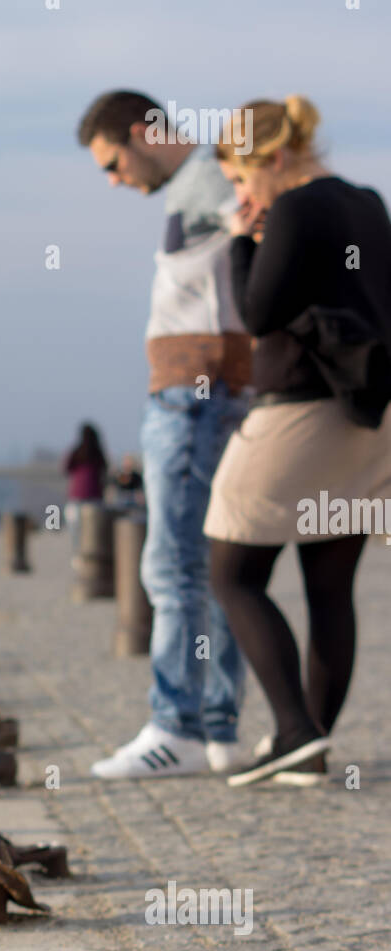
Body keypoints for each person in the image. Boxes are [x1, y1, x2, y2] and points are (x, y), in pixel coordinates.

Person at [205, 96, 391, 786]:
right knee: (329, 585)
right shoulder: (370, 204)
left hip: (299, 410)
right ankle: (309, 743)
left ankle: (291, 730)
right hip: (369, 414)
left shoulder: (292, 209)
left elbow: (258, 313)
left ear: (275, 159)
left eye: (239, 179)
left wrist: (241, 241)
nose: (241, 194)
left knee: (232, 572)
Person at [77, 91, 251, 778]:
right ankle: (218, 728)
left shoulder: (204, 179)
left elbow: (257, 238)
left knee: (172, 564)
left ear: (143, 133)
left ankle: (174, 726)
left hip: (194, 397)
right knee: (215, 570)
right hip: (212, 392)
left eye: (113, 162)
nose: (116, 179)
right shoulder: (202, 184)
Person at [63, 422, 108, 540]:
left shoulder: (76, 452)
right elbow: (105, 471)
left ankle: (78, 554)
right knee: (93, 534)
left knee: (76, 531)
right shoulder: (98, 454)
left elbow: (66, 468)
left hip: (77, 496)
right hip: (95, 496)